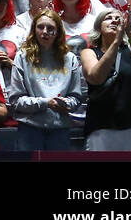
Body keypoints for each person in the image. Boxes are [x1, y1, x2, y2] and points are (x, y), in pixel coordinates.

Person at [6, 9, 86, 151]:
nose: (45, 31)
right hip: (30, 127)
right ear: (34, 29)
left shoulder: (70, 58)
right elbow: (16, 100)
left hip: (59, 127)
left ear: (58, 32)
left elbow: (76, 97)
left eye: (50, 28)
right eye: (40, 27)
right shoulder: (22, 57)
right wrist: (45, 102)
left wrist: (66, 103)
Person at [80, 8, 131, 151]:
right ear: (98, 27)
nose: (114, 20)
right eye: (108, 18)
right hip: (101, 126)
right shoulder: (89, 52)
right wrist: (116, 42)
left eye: (118, 18)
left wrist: (130, 33)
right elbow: (95, 77)